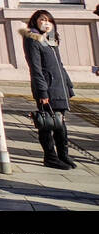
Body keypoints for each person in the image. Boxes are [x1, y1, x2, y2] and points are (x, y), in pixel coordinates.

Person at [20, 9, 76, 170]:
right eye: (42, 19)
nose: (46, 23)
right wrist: (42, 92)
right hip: (47, 87)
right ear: (35, 21)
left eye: (49, 20)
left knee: (60, 123)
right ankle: (50, 157)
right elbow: (36, 68)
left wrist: (68, 85)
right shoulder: (33, 39)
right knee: (47, 122)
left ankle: (63, 155)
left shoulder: (51, 39)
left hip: (60, 87)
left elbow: (60, 65)